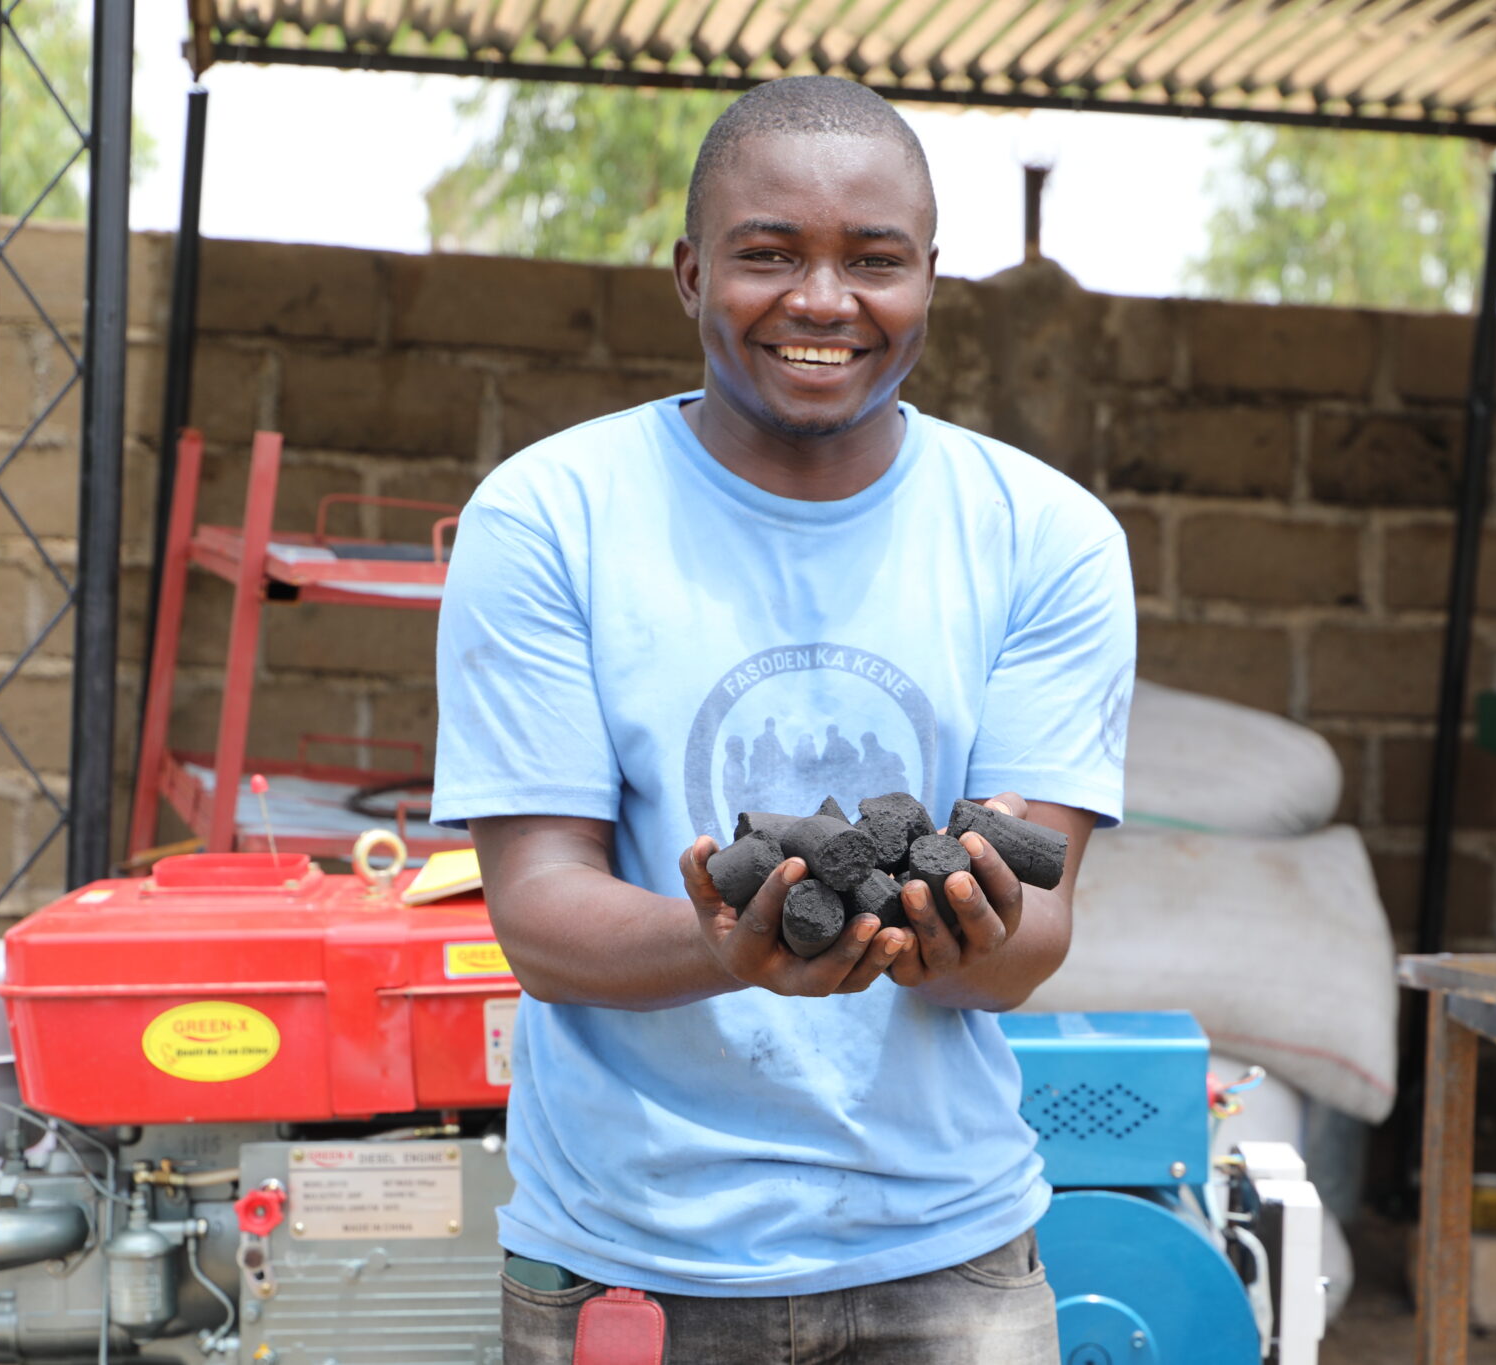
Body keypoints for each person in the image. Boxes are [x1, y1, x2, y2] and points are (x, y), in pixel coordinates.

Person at [433, 74, 1136, 1364]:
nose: (823, 301)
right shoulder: (549, 518)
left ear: (930, 280)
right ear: (694, 274)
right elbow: (538, 918)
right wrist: (728, 944)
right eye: (771, 255)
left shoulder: (1047, 538)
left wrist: (946, 937)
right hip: (622, 1267)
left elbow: (1031, 940)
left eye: (875, 261)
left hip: (947, 1267)